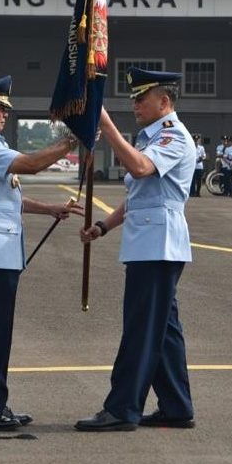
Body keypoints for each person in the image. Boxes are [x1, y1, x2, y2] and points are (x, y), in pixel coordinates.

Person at [0, 75, 81, 431]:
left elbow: (9, 198)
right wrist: (71, 141)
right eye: (1, 107)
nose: (6, 114)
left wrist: (50, 208)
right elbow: (30, 165)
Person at [75, 67, 195, 432]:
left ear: (165, 101)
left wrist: (106, 127)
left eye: (141, 98)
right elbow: (138, 197)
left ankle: (122, 409)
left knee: (141, 330)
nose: (135, 104)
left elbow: (141, 169)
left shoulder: (172, 136)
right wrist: (103, 226)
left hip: (158, 246)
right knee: (163, 331)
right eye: (133, 98)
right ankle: (176, 405)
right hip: (149, 242)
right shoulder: (151, 136)